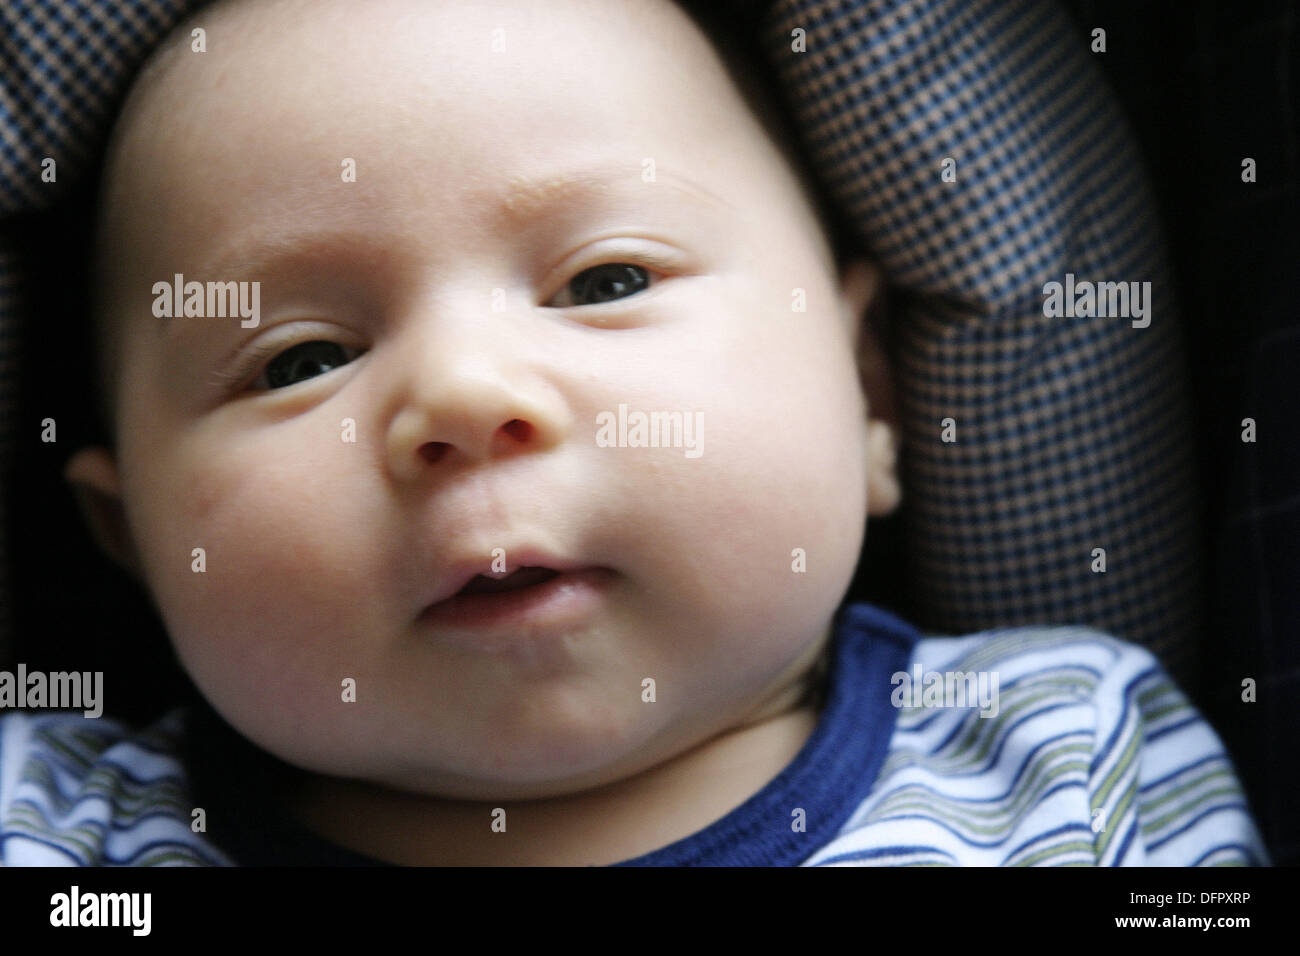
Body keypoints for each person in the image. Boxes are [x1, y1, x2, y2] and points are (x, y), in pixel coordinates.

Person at [0, 0, 1268, 865]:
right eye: (304, 360)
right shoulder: (56, 830)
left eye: (604, 280)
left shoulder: (1066, 757)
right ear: (133, 534)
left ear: (870, 393)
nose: (464, 395)